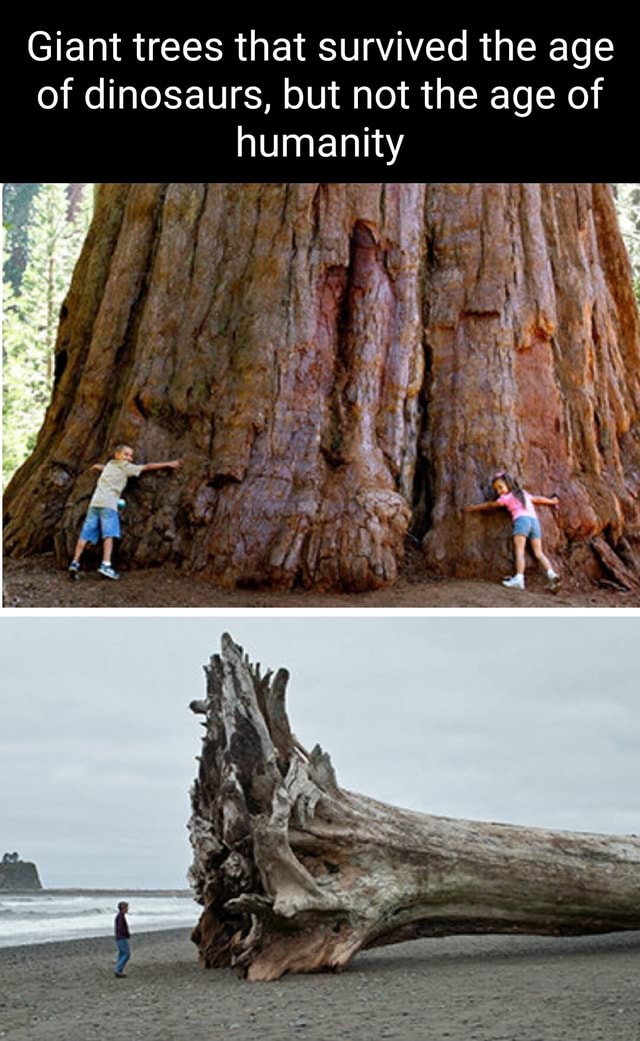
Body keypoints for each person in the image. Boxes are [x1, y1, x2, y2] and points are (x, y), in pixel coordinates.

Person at [68, 444, 181, 580]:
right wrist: (169, 464)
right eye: (126, 454)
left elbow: (106, 469)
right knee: (108, 535)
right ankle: (106, 564)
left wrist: (98, 466)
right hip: (109, 505)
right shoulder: (125, 468)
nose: (130, 458)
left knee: (85, 534)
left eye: (131, 456)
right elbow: (147, 467)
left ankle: (75, 562)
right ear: (117, 455)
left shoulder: (110, 465)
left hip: (95, 504)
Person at [464, 470, 561, 591]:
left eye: (500, 487)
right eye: (497, 490)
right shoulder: (523, 494)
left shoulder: (506, 498)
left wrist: (473, 508)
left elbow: (489, 505)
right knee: (538, 553)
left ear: (508, 484)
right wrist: (553, 501)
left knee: (519, 550)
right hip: (534, 522)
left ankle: (519, 579)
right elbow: (538, 499)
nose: (499, 492)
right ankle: (552, 574)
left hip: (521, 521)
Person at [114, 900, 131, 978]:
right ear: (123, 908)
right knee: (127, 954)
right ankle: (117, 969)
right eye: (127, 907)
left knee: (121, 954)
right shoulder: (120, 916)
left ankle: (118, 970)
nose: (128, 909)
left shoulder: (120, 916)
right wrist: (126, 933)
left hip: (119, 937)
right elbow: (121, 928)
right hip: (121, 937)